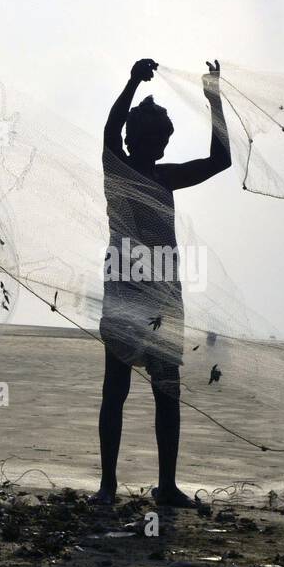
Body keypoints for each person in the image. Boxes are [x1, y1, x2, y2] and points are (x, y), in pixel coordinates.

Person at [97, 58, 230, 507]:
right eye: (147, 137)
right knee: (116, 387)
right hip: (125, 289)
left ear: (163, 142)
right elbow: (110, 129)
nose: (153, 143)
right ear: (135, 140)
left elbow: (221, 159)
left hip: (163, 296)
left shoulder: (165, 176)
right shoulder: (117, 167)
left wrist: (213, 97)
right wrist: (132, 80)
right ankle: (108, 485)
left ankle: (166, 485)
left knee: (165, 390)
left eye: (159, 139)